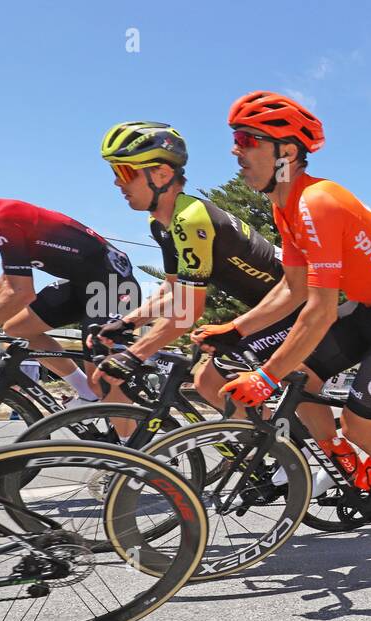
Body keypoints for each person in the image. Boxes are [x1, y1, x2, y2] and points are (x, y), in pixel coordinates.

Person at [193, 91, 371, 542]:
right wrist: (238, 328)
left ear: (285, 152)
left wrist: (263, 377)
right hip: (366, 308)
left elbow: (318, 312)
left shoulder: (317, 203)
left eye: (247, 139)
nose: (235, 150)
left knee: (358, 421)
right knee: (300, 384)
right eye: (235, 139)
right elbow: (294, 287)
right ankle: (343, 464)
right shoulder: (284, 203)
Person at [92, 121, 297, 420]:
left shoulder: (190, 218)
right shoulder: (162, 223)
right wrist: (127, 323)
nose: (117, 183)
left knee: (209, 381)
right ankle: (274, 452)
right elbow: (173, 289)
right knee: (209, 382)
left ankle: (283, 456)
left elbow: (188, 311)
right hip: (269, 311)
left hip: (296, 307)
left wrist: (135, 354)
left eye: (124, 172)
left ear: (161, 174)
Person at [0, 152, 140, 402]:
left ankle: (126, 437)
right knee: (18, 328)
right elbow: (7, 280)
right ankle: (85, 394)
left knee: (103, 382)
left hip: (111, 287)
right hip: (81, 284)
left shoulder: (1, 216)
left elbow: (21, 292)